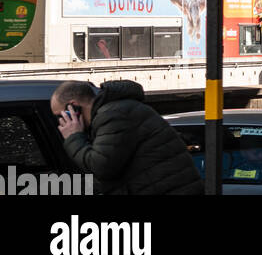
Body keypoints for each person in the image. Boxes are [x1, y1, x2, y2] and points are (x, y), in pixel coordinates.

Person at [51, 79, 203, 195]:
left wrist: (73, 137)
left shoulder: (113, 115)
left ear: (74, 107)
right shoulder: (114, 112)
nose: (61, 122)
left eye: (61, 116)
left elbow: (102, 167)